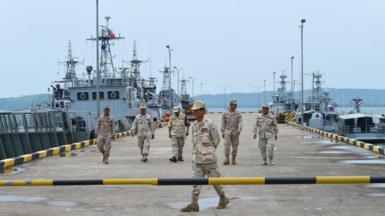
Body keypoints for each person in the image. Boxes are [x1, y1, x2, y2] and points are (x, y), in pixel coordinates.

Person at [181, 101, 229, 212]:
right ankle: (194, 203)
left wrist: (209, 151)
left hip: (208, 160)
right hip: (197, 160)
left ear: (203, 111)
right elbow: (194, 142)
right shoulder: (193, 125)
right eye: (194, 110)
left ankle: (223, 198)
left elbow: (216, 140)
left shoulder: (209, 124)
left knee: (215, 183)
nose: (194, 112)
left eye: (197, 110)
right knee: (195, 183)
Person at [220, 100, 242, 165]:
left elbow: (240, 122)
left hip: (235, 131)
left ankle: (233, 159)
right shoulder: (225, 113)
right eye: (234, 105)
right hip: (227, 131)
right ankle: (227, 159)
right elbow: (223, 123)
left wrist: (239, 129)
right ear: (230, 105)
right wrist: (222, 131)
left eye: (236, 105)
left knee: (235, 146)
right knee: (226, 145)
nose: (235, 106)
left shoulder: (238, 114)